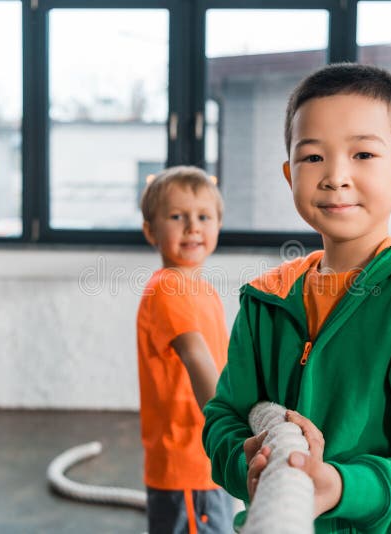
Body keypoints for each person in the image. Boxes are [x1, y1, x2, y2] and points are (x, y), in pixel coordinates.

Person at [202, 63, 391, 533]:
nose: (335, 176)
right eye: (313, 158)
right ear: (290, 173)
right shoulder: (266, 298)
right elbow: (224, 418)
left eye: (363, 154)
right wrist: (244, 461)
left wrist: (340, 486)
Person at [137, 166, 233, 534]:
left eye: (203, 217)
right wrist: (231, 430)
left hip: (203, 462)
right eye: (178, 217)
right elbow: (196, 358)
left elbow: (221, 362)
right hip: (189, 465)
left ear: (217, 227)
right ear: (151, 231)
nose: (193, 226)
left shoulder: (201, 290)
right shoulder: (169, 288)